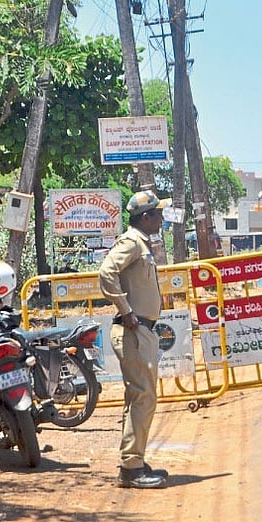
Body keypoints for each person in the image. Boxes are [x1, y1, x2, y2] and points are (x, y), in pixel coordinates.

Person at [99, 190, 171, 489]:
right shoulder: (131, 242)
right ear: (146, 217)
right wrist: (126, 310)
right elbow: (106, 273)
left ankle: (135, 459)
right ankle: (131, 467)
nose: (161, 218)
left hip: (141, 330)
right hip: (134, 330)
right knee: (143, 397)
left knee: (138, 397)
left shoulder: (141, 243)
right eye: (158, 214)